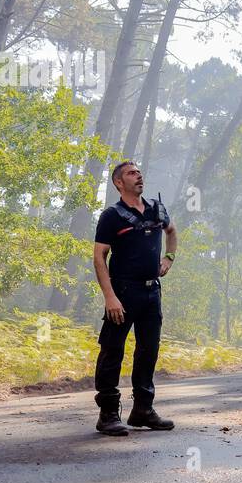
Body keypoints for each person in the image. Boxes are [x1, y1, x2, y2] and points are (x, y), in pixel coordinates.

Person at [92, 161, 178, 436]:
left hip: (152, 292)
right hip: (123, 292)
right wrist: (110, 297)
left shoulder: (156, 208)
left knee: (148, 350)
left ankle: (142, 410)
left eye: (139, 171)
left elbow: (172, 233)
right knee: (112, 350)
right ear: (119, 183)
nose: (139, 175)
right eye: (131, 173)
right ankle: (107, 415)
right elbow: (99, 257)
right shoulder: (111, 216)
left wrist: (169, 257)